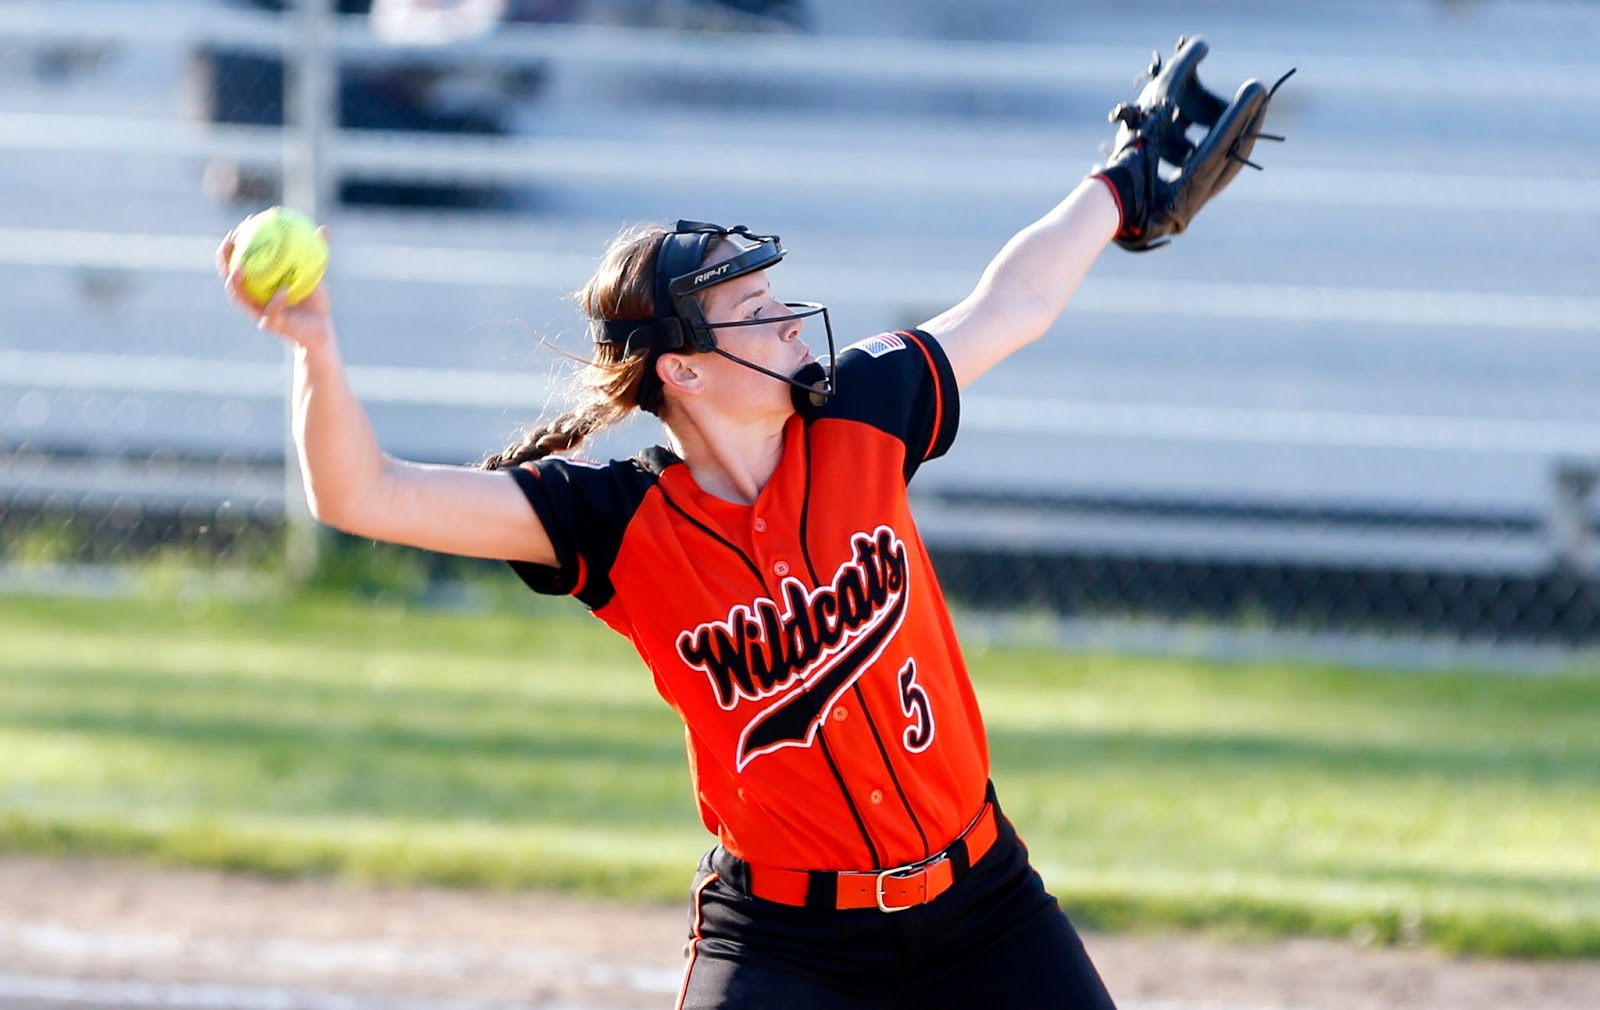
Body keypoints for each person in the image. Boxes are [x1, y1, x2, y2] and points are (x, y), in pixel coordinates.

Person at [218, 37, 1277, 1009]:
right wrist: (314, 350)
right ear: (681, 367)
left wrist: (1117, 186)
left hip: (982, 908)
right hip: (783, 942)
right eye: (752, 309)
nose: (784, 315)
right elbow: (363, 495)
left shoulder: (864, 412)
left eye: (773, 294)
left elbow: (1009, 303)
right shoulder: (614, 522)